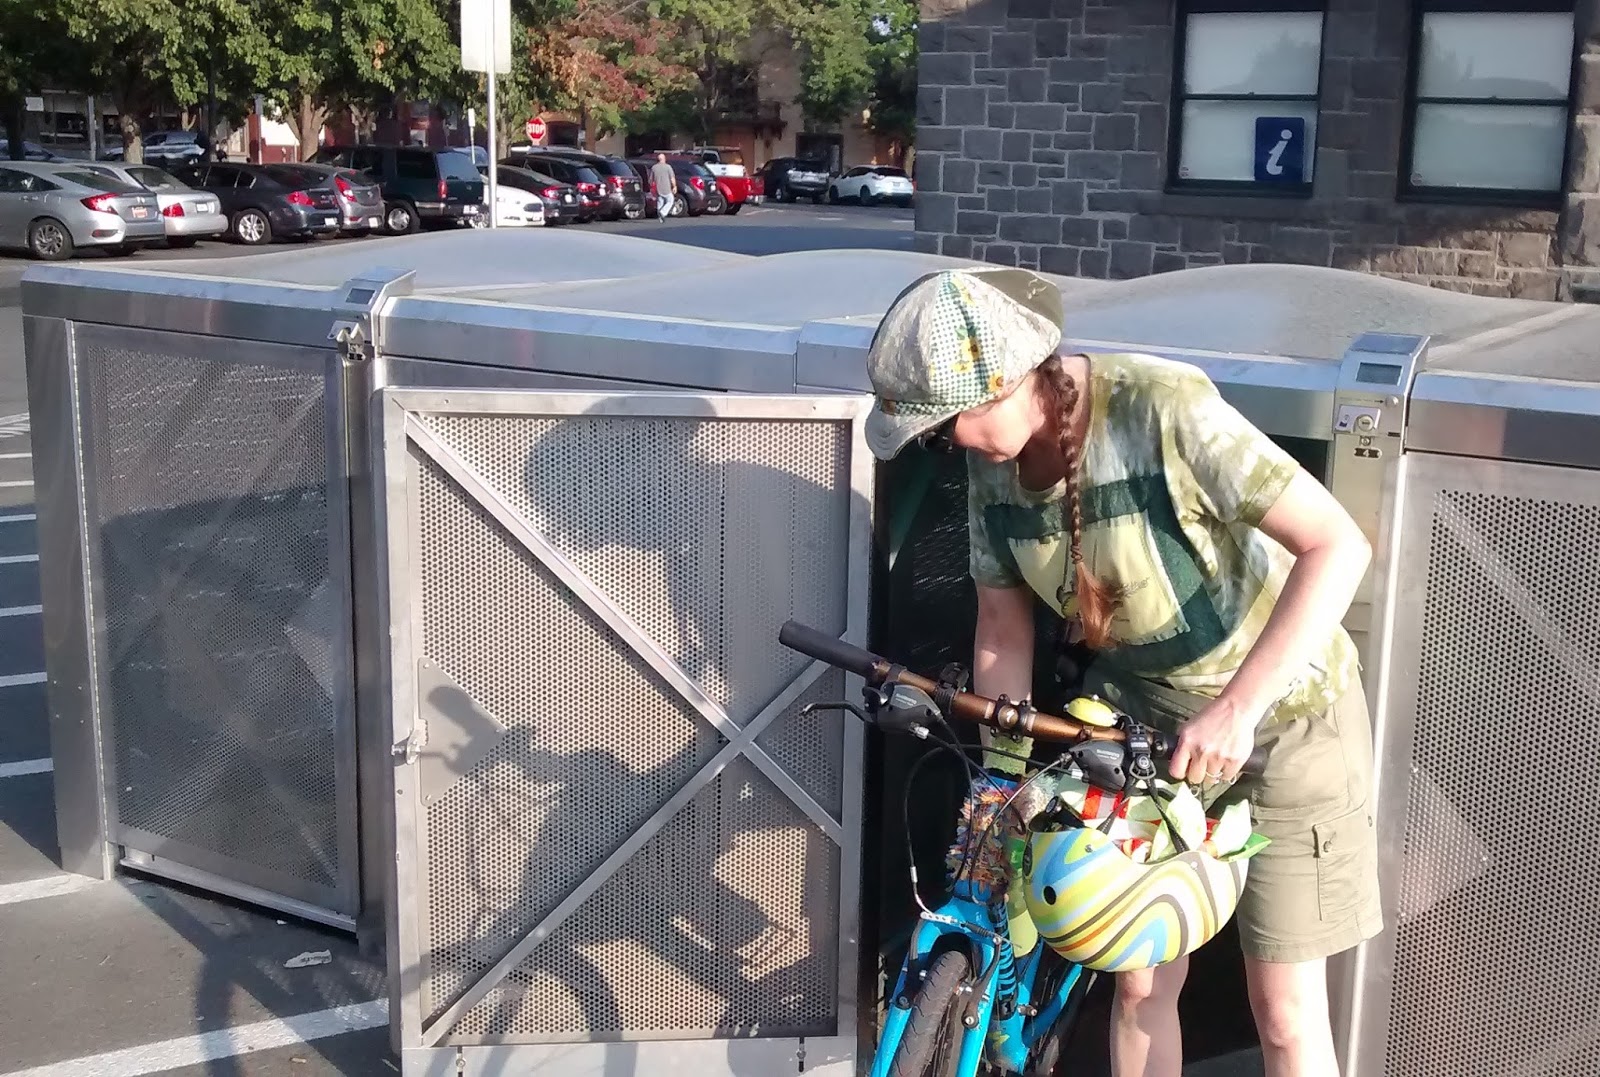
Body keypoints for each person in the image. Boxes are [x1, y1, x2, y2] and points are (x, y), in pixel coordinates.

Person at [862, 266, 1382, 1077]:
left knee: (1283, 1012)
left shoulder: (1161, 409)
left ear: (1005, 381)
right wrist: (1000, 782)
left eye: (947, 422)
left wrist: (1240, 707)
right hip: (1142, 727)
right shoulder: (993, 465)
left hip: (1285, 720)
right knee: (1139, 980)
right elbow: (1002, 624)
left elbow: (1339, 545)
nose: (949, 443)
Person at [649, 152, 677, 220]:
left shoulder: (654, 168)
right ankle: (663, 212)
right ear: (664, 159)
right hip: (666, 188)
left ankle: (660, 217)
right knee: (670, 200)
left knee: (660, 201)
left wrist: (652, 188)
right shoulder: (668, 167)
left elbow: (650, 180)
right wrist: (674, 186)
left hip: (658, 188)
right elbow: (672, 178)